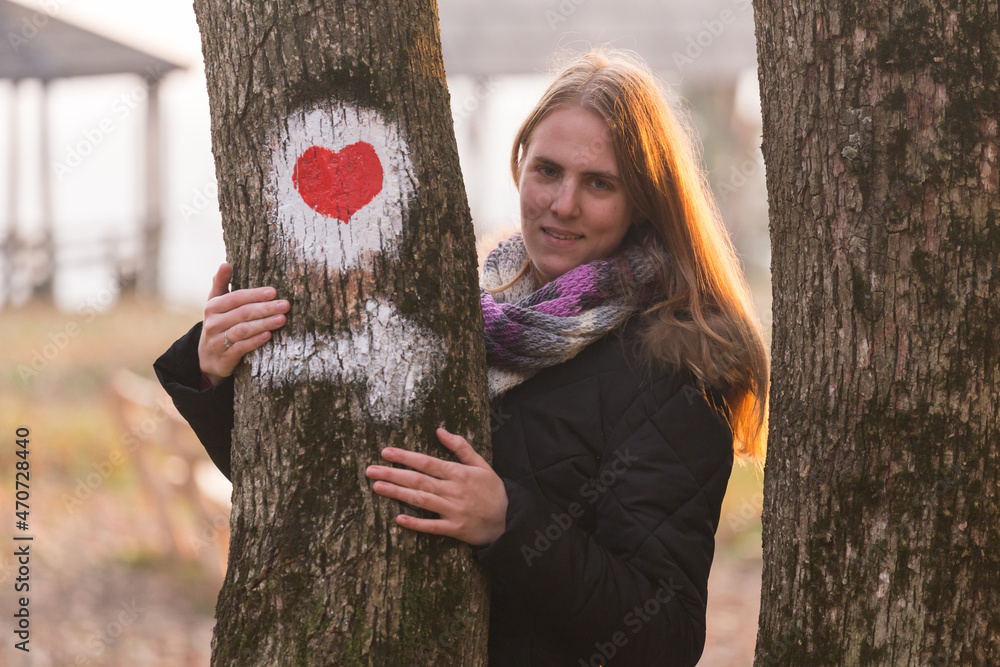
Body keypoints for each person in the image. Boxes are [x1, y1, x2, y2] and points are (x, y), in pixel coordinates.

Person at [155, 48, 769, 666]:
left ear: (644, 199)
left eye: (600, 184)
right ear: (520, 165)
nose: (563, 204)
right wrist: (216, 373)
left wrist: (509, 523)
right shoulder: (467, 314)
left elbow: (666, 636)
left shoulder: (676, 364)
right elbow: (341, 492)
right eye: (548, 171)